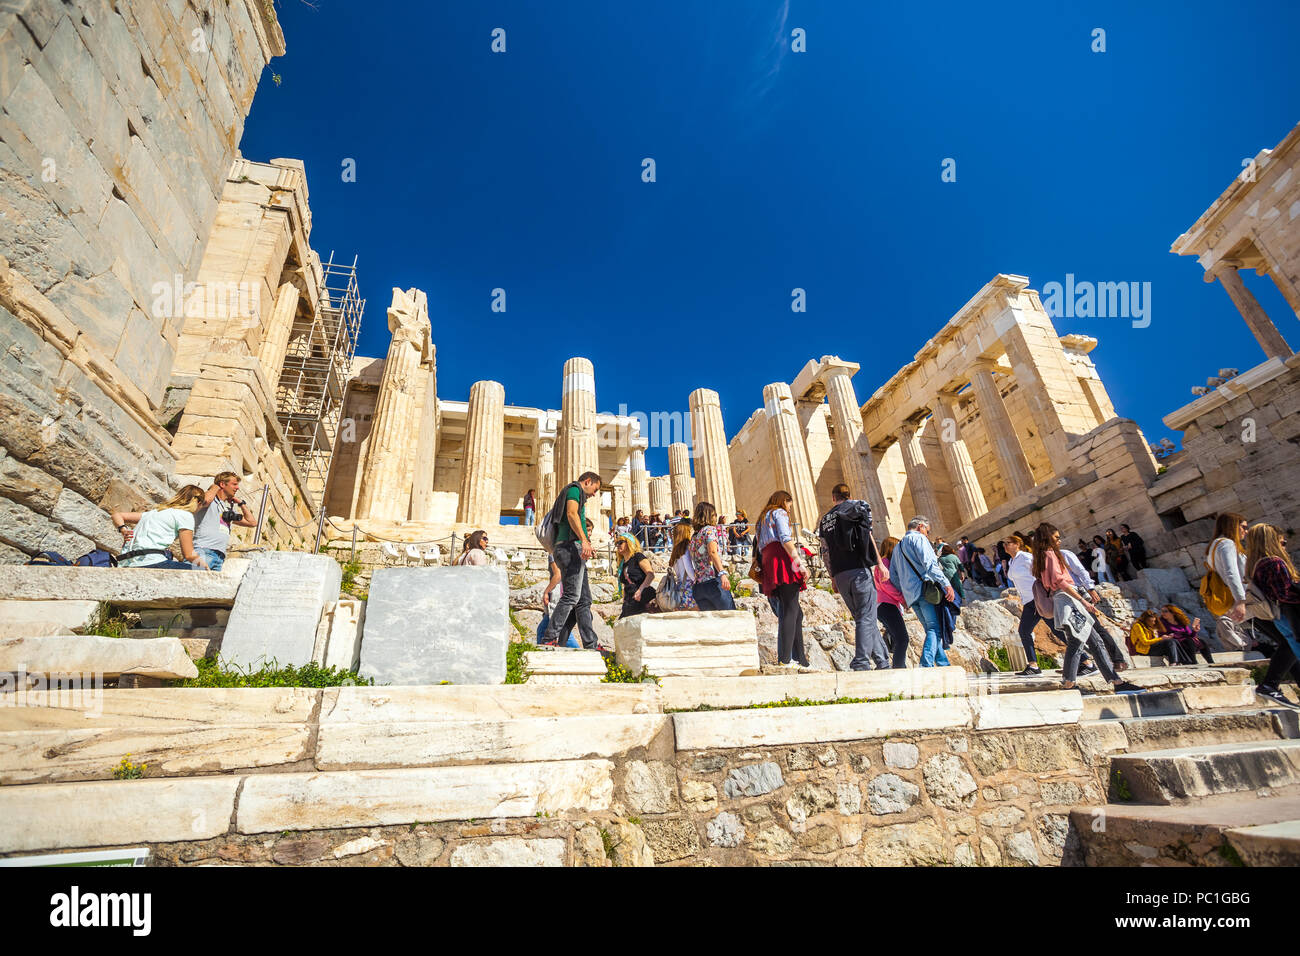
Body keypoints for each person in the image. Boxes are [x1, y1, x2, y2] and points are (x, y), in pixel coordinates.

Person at [1033, 522, 1140, 692]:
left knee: (1084, 642)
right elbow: (1061, 582)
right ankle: (1114, 683)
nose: (1060, 541)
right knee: (1088, 641)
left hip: (1064, 601)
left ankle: (1074, 683)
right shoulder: (1050, 555)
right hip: (1069, 600)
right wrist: (1083, 601)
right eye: (1056, 538)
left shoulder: (1041, 557)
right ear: (1048, 538)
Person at [817, 483, 889, 671]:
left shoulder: (824, 520)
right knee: (865, 617)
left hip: (840, 575)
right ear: (849, 495)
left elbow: (825, 550)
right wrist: (880, 563)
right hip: (858, 570)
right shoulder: (858, 507)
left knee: (864, 618)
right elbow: (868, 536)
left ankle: (882, 661)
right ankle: (861, 661)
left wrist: (832, 576)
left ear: (833, 498)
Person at [540, 472, 602, 649]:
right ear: (587, 481)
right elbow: (572, 513)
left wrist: (586, 544)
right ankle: (549, 638)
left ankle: (590, 643)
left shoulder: (576, 492)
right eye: (595, 489)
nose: (594, 494)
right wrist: (584, 540)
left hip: (572, 548)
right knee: (571, 596)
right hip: (570, 547)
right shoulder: (575, 489)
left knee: (584, 600)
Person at [1245, 522, 1300, 707]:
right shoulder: (1273, 562)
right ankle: (1270, 685)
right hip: (1288, 615)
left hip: (1279, 617)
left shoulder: (1256, 564)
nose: (1283, 542)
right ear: (1270, 540)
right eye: (1280, 539)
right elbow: (1284, 594)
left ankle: (1270, 685)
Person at [888, 516, 954, 667]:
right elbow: (930, 565)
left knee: (930, 629)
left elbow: (893, 576)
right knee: (934, 629)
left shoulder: (898, 547)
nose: (927, 535)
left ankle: (943, 663)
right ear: (920, 527)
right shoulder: (919, 540)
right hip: (925, 591)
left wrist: (904, 594)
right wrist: (946, 584)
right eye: (928, 531)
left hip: (911, 595)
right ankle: (925, 664)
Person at [755, 491, 809, 669]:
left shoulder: (761, 520)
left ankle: (801, 659)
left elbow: (759, 545)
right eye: (789, 504)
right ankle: (785, 659)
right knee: (790, 610)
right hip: (782, 558)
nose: (789, 509)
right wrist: (799, 563)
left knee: (795, 612)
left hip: (769, 561)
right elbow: (785, 539)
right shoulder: (779, 513)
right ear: (784, 501)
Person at [1061, 542, 1129, 672]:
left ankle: (1117, 660)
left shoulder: (1064, 554)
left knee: (1096, 628)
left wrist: (1091, 588)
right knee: (1072, 632)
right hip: (1063, 599)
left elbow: (1081, 571)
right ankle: (1081, 663)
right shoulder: (1044, 559)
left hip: (1077, 594)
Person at [112, 485, 210, 569]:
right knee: (200, 573)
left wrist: (123, 529)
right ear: (199, 503)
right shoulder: (185, 515)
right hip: (150, 561)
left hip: (124, 563)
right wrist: (204, 566)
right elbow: (188, 554)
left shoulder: (154, 513)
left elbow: (117, 515)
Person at [192, 471, 256, 571]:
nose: (237, 488)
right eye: (234, 484)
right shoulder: (210, 501)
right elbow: (205, 500)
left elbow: (252, 523)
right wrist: (215, 487)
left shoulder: (227, 509)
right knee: (192, 581)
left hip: (220, 557)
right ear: (222, 484)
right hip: (202, 550)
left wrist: (241, 503)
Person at [1004, 533, 1043, 675]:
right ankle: (1033, 666)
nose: (1005, 546)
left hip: (1037, 598)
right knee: (1024, 631)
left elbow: (1040, 572)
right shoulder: (1011, 561)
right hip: (1028, 600)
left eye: (1008, 542)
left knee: (1057, 630)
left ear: (1017, 544)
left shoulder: (1026, 557)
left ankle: (1085, 661)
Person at [689, 501, 735, 611]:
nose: (715, 517)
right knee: (730, 619)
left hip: (699, 586)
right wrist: (722, 573)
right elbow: (712, 552)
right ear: (709, 515)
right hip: (713, 582)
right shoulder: (709, 530)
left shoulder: (694, 536)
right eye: (714, 515)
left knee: (712, 624)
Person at [874, 537, 911, 668]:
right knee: (902, 639)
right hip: (886, 605)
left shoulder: (885, 563)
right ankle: (899, 668)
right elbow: (887, 585)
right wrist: (903, 599)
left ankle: (900, 666)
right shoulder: (885, 562)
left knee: (898, 639)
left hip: (885, 605)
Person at [538, 553, 580, 648]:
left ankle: (577, 650)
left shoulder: (553, 553)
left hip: (557, 593)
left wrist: (546, 591)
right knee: (550, 628)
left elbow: (558, 575)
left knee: (545, 629)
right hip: (567, 590)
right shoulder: (566, 551)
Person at [615, 534, 656, 617]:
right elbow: (626, 584)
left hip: (642, 597)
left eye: (620, 542)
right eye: (616, 543)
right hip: (630, 600)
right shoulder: (623, 563)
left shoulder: (638, 556)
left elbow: (650, 574)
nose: (618, 545)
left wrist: (640, 590)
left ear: (629, 543)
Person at [666, 520, 699, 611]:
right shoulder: (685, 549)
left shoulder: (675, 551)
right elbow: (688, 568)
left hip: (680, 587)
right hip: (688, 587)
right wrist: (696, 581)